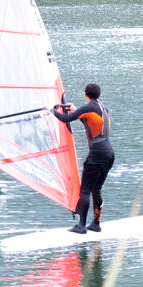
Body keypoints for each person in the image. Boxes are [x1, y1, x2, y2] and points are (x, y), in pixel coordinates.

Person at [52, 83, 116, 234]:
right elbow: (90, 122)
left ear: (86, 94)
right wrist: (76, 110)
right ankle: (96, 224)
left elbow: (65, 118)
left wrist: (53, 112)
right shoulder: (104, 110)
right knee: (96, 189)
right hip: (109, 153)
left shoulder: (88, 108)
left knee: (85, 190)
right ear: (99, 95)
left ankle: (81, 226)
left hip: (97, 153)